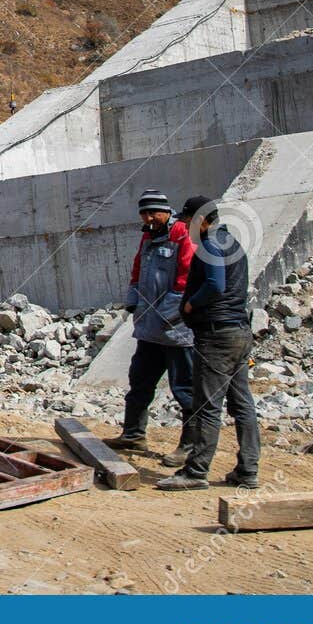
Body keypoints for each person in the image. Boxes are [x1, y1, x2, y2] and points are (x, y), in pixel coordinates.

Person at [157, 196, 260, 491]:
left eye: (189, 221)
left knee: (207, 406)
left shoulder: (211, 245)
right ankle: (248, 471)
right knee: (242, 404)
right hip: (239, 332)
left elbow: (216, 284)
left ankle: (196, 471)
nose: (186, 227)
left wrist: (190, 306)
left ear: (202, 220)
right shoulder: (233, 243)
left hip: (217, 336)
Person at [106, 190, 196, 463]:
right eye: (144, 213)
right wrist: (133, 299)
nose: (148, 218)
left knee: (185, 389)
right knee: (140, 382)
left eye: (152, 213)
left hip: (176, 330)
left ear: (165, 211)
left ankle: (190, 446)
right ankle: (133, 434)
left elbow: (185, 280)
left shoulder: (183, 234)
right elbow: (137, 270)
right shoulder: (148, 235)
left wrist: (166, 314)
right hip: (149, 329)